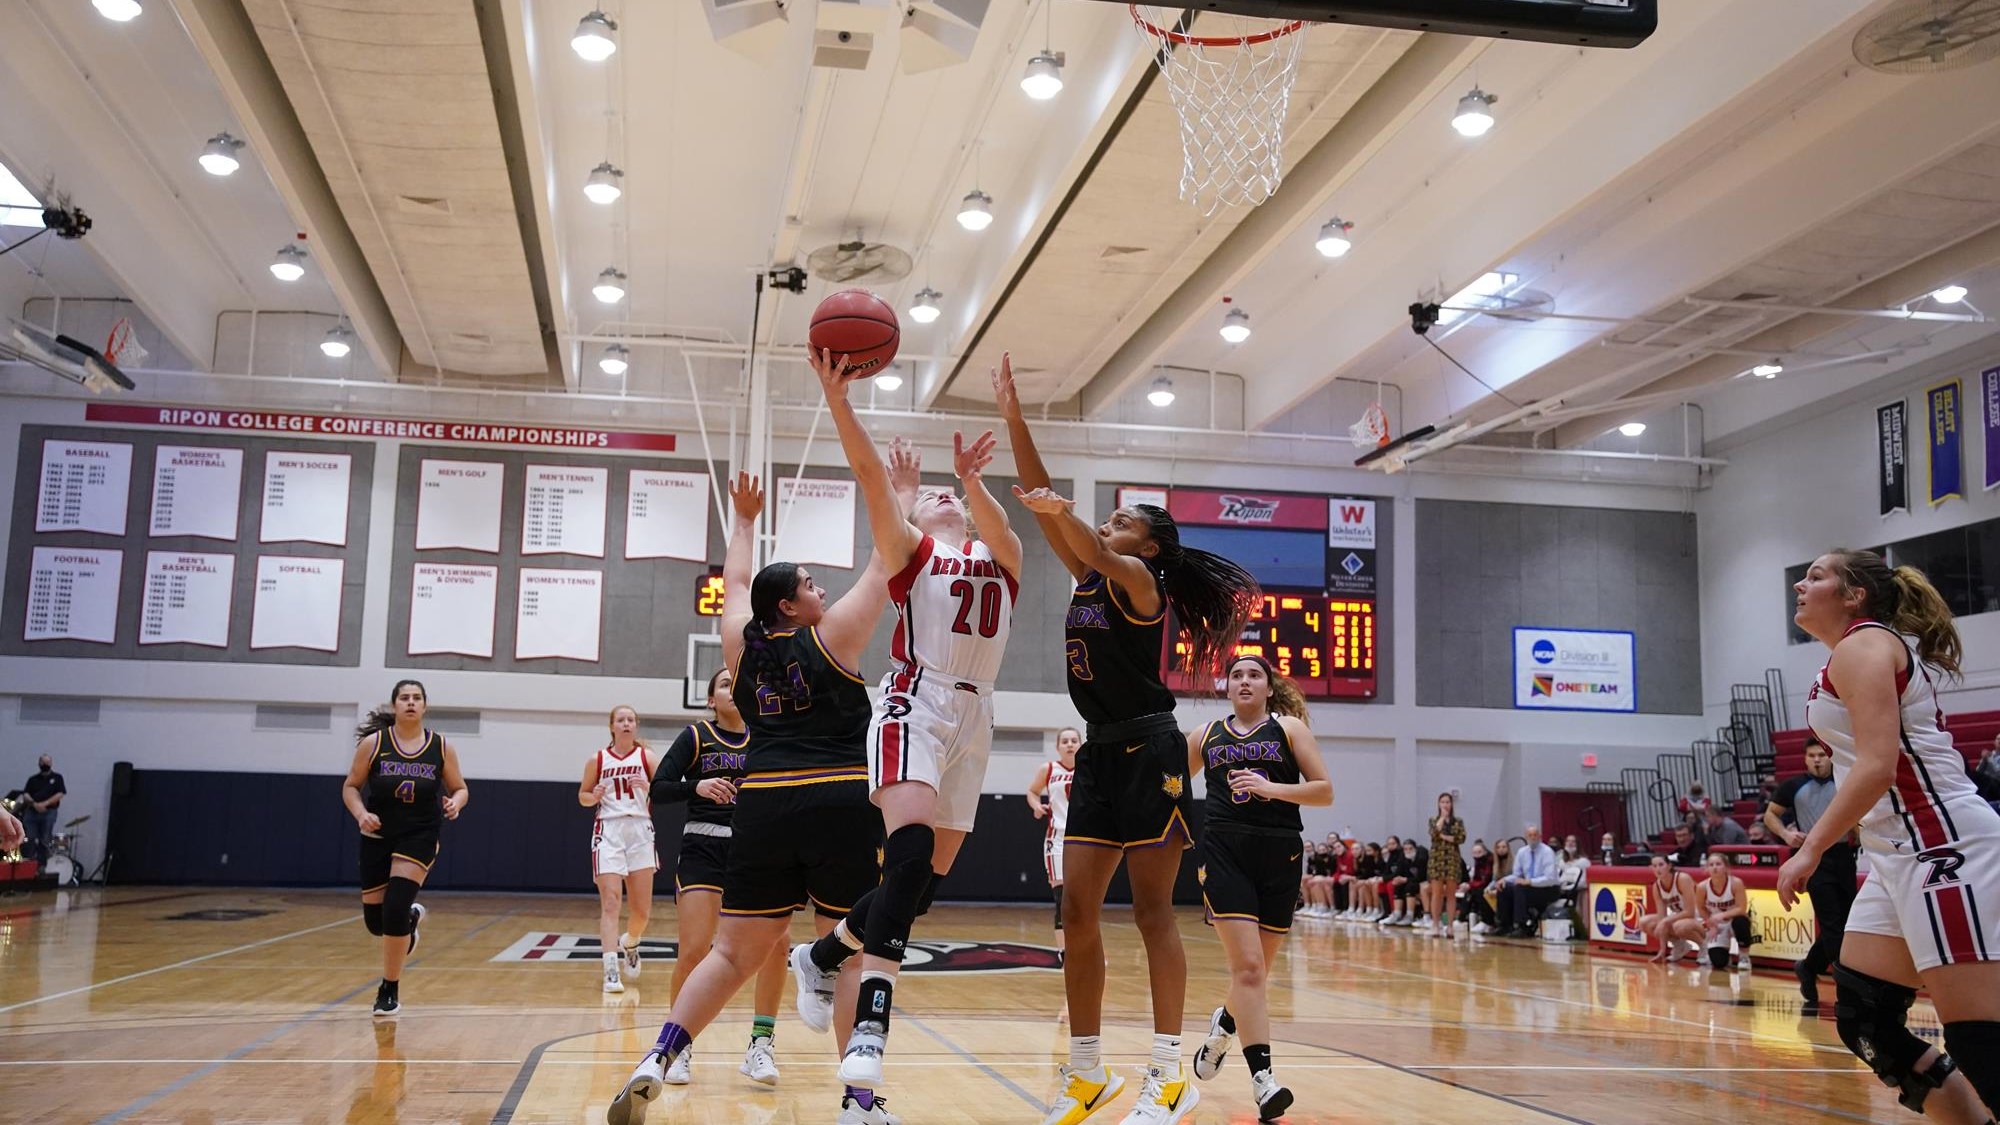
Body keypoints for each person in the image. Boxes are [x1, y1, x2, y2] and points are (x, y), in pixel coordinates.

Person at [1000, 353, 1259, 1125]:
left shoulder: (1139, 584)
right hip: (1102, 750)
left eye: (1123, 522)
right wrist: (1016, 419)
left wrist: (1059, 508)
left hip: (1151, 749)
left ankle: (1166, 1072)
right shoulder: (1088, 574)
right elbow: (1057, 520)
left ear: (1147, 546)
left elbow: (1080, 532)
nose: (1109, 523)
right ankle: (1086, 1073)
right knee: (1077, 912)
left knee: (1152, 914)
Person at [607, 466, 893, 1125]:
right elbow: (885, 559)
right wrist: (898, 491)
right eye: (811, 584)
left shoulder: (742, 648)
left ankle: (658, 1057)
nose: (823, 589)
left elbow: (736, 584)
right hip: (837, 799)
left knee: (732, 952)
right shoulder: (837, 636)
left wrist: (741, 520)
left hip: (762, 801)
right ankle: (859, 1103)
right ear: (792, 606)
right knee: (847, 952)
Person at [792, 376, 1025, 1095]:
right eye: (934, 498)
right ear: (914, 513)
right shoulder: (912, 551)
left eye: (952, 499)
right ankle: (871, 1031)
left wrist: (969, 479)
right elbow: (869, 477)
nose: (947, 503)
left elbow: (1008, 531)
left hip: (977, 714)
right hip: (914, 702)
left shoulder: (998, 558)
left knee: (916, 891)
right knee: (910, 850)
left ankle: (824, 954)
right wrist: (841, 406)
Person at [1779, 550, 2000, 1120]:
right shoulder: (1849, 652)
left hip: (1941, 844)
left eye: (1818, 575)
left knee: (1982, 1040)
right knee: (1865, 1019)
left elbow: (1878, 766)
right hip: (1897, 852)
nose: (1802, 583)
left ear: (1854, 596)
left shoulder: (1864, 644)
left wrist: (1809, 847)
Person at [1187, 655, 1331, 1122]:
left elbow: (1324, 790)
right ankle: (1264, 1082)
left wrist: (1274, 790)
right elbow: (1167, 786)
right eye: (1237, 675)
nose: (1245, 681)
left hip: (1280, 855)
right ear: (1225, 687)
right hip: (1224, 853)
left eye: (1254, 675)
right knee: (1248, 969)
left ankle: (1224, 1025)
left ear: (1269, 688)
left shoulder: (1289, 730)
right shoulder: (1205, 735)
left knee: (1256, 974)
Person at [651, 670, 789, 1086]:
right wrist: (698, 786)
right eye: (724, 684)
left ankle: (760, 1045)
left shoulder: (768, 736)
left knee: (778, 944)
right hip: (703, 847)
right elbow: (658, 789)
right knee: (694, 949)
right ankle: (678, 1048)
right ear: (711, 699)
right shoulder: (696, 737)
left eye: (736, 682)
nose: (732, 688)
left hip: (755, 845)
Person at [339, 680, 468, 1018]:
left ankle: (389, 988)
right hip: (378, 834)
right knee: (376, 923)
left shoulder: (440, 747)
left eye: (417, 698)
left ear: (425, 706)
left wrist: (455, 803)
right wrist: (360, 813)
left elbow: (460, 788)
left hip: (419, 834)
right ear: (394, 705)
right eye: (404, 698)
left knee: (393, 908)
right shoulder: (374, 744)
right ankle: (410, 921)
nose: (411, 703)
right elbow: (351, 786)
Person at [580, 705, 659, 997]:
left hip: (640, 830)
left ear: (636, 726)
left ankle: (632, 941)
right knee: (611, 902)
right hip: (609, 830)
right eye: (621, 720)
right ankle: (610, 969)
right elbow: (583, 797)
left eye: (631, 720)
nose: (626, 724)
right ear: (612, 726)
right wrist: (594, 796)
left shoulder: (647, 757)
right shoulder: (597, 759)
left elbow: (665, 790)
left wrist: (649, 786)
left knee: (641, 912)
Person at [1028, 728, 1082, 953]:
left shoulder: (1089, 769)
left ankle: (1084, 949)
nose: (1070, 744)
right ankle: (1064, 952)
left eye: (1074, 740)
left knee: (1082, 897)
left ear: (1080, 744)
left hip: (1082, 838)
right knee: (1061, 898)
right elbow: (1032, 791)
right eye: (1065, 741)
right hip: (1057, 838)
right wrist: (1037, 806)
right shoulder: (1048, 769)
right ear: (1058, 746)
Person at [1493, 826, 1560, 938]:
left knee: (1520, 888)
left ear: (1540, 837)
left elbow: (1550, 878)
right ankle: (1505, 925)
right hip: (1529, 887)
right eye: (1530, 835)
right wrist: (1503, 879)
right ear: (1526, 837)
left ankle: (1522, 926)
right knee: (1504, 888)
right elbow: (1516, 875)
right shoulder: (1522, 852)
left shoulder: (1547, 852)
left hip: (1548, 889)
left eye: (1535, 835)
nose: (1533, 837)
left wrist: (1529, 881)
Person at [1697, 853, 1755, 971]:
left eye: (1718, 864)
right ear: (1707, 868)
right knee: (1718, 963)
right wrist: (1711, 925)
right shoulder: (1702, 887)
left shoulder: (1736, 883)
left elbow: (1741, 908)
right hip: (1717, 925)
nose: (1714, 867)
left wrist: (1722, 915)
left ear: (1726, 867)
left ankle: (1744, 957)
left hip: (1734, 921)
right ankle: (1724, 955)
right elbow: (1701, 908)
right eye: (1711, 865)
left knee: (1741, 921)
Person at [1637, 854, 1699, 964]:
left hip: (1700, 917)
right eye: (1654, 866)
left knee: (1677, 925)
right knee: (1645, 923)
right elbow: (1662, 918)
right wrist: (1662, 950)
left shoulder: (1682, 878)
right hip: (1682, 918)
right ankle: (1680, 946)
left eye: (1661, 865)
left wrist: (1666, 921)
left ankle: (1704, 946)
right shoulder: (1657, 886)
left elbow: (1690, 912)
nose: (1657, 869)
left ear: (1669, 866)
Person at [1421, 794, 1467, 937]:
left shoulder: (1458, 821)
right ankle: (1435, 924)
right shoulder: (1433, 820)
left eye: (1448, 802)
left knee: (1451, 894)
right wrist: (1442, 819)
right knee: (1437, 893)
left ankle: (1450, 926)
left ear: (1452, 804)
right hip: (1437, 858)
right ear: (1439, 804)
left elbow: (1460, 838)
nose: (1445, 804)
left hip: (1452, 859)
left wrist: (1445, 837)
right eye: (1442, 802)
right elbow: (1433, 833)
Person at [18, 755, 63, 863]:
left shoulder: (57, 778)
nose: (45, 765)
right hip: (32, 812)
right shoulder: (33, 779)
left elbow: (60, 794)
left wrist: (45, 803)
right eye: (43, 763)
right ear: (39, 764)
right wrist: (34, 804)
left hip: (49, 812)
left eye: (47, 763)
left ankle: (42, 864)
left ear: (51, 764)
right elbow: (26, 794)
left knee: (45, 839)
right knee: (29, 838)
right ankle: (28, 862)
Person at [1459, 841, 1497, 933]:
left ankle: (1488, 922)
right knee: (1469, 892)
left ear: (1485, 851)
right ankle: (1461, 919)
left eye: (1479, 852)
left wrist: (1470, 885)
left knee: (1480, 892)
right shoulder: (1478, 861)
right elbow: (1476, 878)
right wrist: (1468, 884)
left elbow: (1486, 879)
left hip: (1492, 885)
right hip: (1483, 886)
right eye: (1475, 853)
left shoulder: (1489, 860)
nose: (1477, 855)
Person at [1348, 842, 1383, 920]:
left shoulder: (1368, 858)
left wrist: (1359, 879)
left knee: (1362, 884)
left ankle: (1372, 909)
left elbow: (1369, 873)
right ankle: (1352, 908)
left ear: (1362, 850)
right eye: (1352, 849)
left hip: (1374, 879)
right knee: (1353, 882)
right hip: (1369, 879)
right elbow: (1358, 874)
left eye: (1357, 849)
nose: (1354, 851)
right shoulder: (1356, 860)